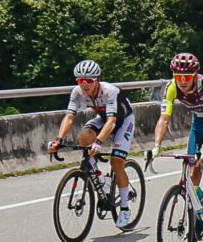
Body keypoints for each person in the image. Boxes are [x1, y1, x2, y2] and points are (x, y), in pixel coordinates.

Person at [46, 60, 138, 213]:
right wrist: (59, 139)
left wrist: (98, 142)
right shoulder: (77, 92)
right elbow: (69, 117)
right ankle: (99, 177)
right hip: (103, 117)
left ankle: (124, 207)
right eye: (81, 81)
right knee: (84, 136)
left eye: (89, 81)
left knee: (116, 163)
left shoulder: (109, 91)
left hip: (123, 120)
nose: (85, 84)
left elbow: (112, 121)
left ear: (97, 80)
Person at [151, 52, 203, 180]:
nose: (182, 81)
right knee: (192, 168)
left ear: (195, 76)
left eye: (187, 77)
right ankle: (195, 197)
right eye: (178, 77)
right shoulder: (171, 87)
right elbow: (164, 119)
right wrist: (157, 145)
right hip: (199, 121)